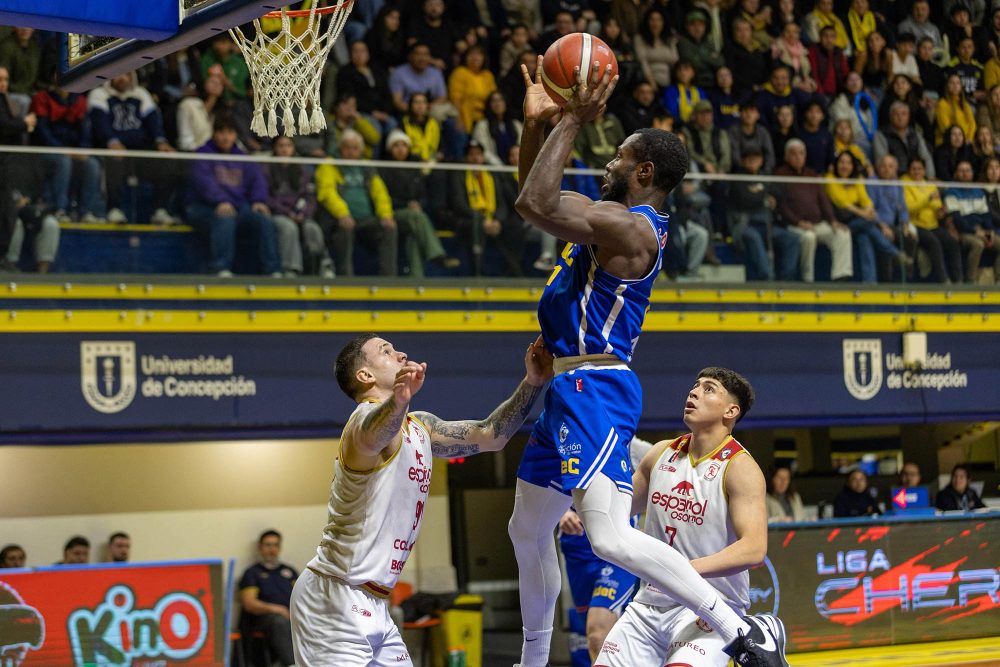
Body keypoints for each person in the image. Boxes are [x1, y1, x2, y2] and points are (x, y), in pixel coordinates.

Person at [509, 57, 788, 667]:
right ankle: (532, 659)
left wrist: (572, 120)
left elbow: (535, 204)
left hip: (596, 384)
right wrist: (535, 125)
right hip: (566, 383)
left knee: (609, 537)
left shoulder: (632, 230)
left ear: (642, 172)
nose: (607, 163)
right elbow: (532, 193)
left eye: (618, 156)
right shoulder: (610, 219)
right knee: (526, 529)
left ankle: (742, 633)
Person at [289, 332, 553, 665]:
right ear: (365, 375)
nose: (400, 354)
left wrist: (533, 382)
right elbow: (374, 435)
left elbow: (491, 436)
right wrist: (399, 400)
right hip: (333, 598)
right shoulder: (362, 422)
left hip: (377, 603)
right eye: (386, 351)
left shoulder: (421, 426)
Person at [595, 368, 771, 667]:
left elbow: (753, 549)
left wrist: (681, 571)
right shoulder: (660, 453)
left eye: (709, 389)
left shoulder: (740, 467)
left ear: (731, 411)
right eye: (695, 386)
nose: (694, 392)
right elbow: (617, 510)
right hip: (648, 605)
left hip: (710, 607)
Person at [558, 437, 653, 667]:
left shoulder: (634, 447)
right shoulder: (563, 440)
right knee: (590, 635)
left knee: (597, 632)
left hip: (616, 552)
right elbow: (539, 493)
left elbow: (666, 485)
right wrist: (560, 513)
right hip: (578, 551)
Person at [186, 115, 281, 278]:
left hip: (237, 206)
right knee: (225, 218)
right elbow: (204, 183)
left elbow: (257, 180)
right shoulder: (203, 154)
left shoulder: (242, 156)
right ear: (214, 134)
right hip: (202, 206)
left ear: (235, 135)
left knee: (263, 221)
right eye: (221, 132)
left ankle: (272, 270)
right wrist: (220, 200)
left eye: (229, 133)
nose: (225, 137)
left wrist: (258, 200)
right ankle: (220, 267)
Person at [315, 130, 398, 277]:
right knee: (345, 229)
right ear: (341, 148)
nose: (351, 152)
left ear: (360, 150)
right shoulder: (329, 164)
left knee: (388, 228)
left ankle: (388, 278)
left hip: (366, 219)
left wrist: (386, 215)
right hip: (337, 219)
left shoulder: (366, 167)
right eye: (347, 147)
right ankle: (345, 278)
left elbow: (380, 193)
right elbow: (326, 193)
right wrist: (343, 214)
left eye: (355, 148)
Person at [379, 129, 460, 278]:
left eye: (404, 145)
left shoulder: (414, 168)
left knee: (414, 235)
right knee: (416, 217)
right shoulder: (384, 169)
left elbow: (423, 194)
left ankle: (416, 278)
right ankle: (437, 255)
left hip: (412, 215)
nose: (400, 149)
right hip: (392, 213)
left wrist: (418, 203)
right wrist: (406, 204)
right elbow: (382, 197)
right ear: (390, 149)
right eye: (396, 145)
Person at [774, 140, 853, 282]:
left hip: (817, 223)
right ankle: (808, 278)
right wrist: (799, 223)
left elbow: (823, 200)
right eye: (794, 154)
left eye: (801, 154)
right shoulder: (780, 175)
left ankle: (841, 276)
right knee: (809, 237)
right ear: (786, 157)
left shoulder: (812, 174)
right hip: (794, 225)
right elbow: (781, 206)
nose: (798, 157)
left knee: (842, 233)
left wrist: (832, 221)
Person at [826, 151, 911, 283]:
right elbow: (841, 201)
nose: (845, 166)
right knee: (868, 223)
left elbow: (866, 200)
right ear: (836, 164)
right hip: (841, 222)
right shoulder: (830, 179)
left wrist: (869, 210)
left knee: (864, 237)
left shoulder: (858, 179)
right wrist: (864, 213)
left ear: (853, 166)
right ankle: (894, 253)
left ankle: (870, 282)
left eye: (848, 163)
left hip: (858, 223)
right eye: (842, 162)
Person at [729, 149, 799, 281]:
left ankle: (786, 279)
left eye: (756, 158)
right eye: (749, 158)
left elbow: (778, 192)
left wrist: (759, 193)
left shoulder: (765, 177)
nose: (753, 161)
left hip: (767, 225)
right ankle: (767, 277)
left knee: (792, 239)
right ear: (743, 161)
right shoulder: (738, 178)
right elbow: (745, 199)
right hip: (746, 226)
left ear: (761, 161)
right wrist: (763, 196)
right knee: (754, 238)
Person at [268, 135, 331, 278]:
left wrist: (303, 212)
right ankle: (291, 269)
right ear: (274, 149)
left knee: (312, 228)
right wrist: (287, 212)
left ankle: (322, 264)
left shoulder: (302, 169)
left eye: (288, 146)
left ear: (293, 149)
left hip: (299, 213)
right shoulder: (267, 168)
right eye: (281, 146)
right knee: (289, 228)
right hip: (278, 213)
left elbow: (309, 197)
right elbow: (268, 198)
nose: (285, 150)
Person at [240, 530, 298, 667]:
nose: (272, 549)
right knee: (279, 622)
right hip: (264, 619)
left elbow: (302, 597)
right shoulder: (252, 573)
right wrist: (278, 609)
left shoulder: (290, 571)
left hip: (290, 616)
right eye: (268, 545)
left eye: (275, 545)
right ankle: (292, 664)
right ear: (260, 547)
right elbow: (249, 603)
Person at [902, 157, 959, 283]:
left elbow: (936, 206)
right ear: (909, 170)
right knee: (933, 242)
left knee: (953, 243)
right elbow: (908, 208)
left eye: (919, 169)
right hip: (915, 225)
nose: (917, 172)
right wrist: (927, 200)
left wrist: (941, 212)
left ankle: (958, 280)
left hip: (932, 225)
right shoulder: (904, 184)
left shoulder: (930, 185)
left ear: (924, 170)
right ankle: (943, 280)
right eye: (913, 169)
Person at [942, 160, 991, 283]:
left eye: (968, 170)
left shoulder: (979, 192)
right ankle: (970, 281)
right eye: (961, 171)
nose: (965, 174)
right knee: (977, 244)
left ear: (972, 173)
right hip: (963, 232)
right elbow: (957, 219)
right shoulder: (951, 192)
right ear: (956, 174)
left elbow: (985, 215)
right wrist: (975, 231)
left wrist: (990, 230)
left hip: (980, 230)